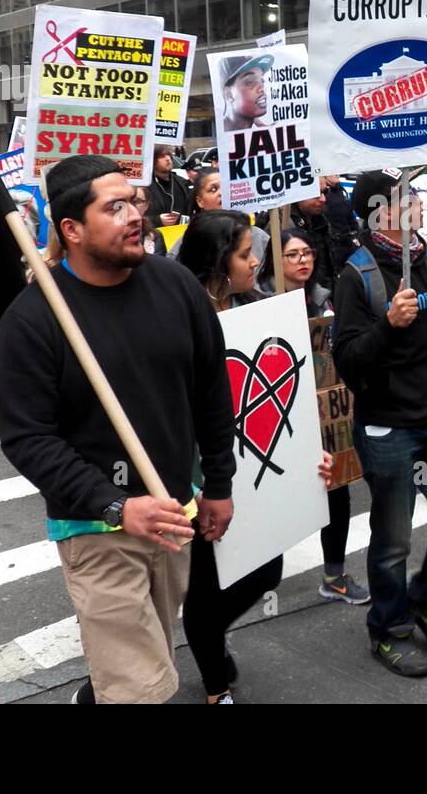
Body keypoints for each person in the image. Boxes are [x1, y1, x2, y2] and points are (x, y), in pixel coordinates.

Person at [0, 156, 236, 705]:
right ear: (72, 230)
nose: (136, 216)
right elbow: (29, 438)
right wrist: (113, 505)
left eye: (136, 202)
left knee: (149, 657)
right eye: (115, 206)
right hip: (97, 531)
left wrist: (218, 483)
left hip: (175, 517)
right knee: (141, 691)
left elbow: (210, 392)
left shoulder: (176, 286)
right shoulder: (34, 320)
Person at [175, 210, 335, 702]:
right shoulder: (179, 317)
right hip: (199, 480)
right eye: (245, 254)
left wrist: (309, 449)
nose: (256, 261)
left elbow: (290, 395)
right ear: (219, 260)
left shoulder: (261, 309)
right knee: (206, 585)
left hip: (254, 475)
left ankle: (205, 638)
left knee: (264, 573)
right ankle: (214, 684)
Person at [332, 169, 427, 678]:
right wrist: (387, 326)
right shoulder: (357, 274)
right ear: (381, 213)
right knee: (392, 539)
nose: (418, 203)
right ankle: (389, 629)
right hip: (388, 426)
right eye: (406, 198)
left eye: (415, 195)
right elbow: (349, 360)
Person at [257, 227, 370, 607]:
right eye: (292, 255)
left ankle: (334, 575)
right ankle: (255, 577)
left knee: (336, 490)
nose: (303, 260)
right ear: (275, 259)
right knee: (272, 495)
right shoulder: (256, 305)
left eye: (307, 253)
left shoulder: (325, 299)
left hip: (325, 414)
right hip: (278, 417)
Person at [219, 54, 272, 133]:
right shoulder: (221, 136)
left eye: (262, 81)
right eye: (250, 82)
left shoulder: (247, 125)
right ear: (228, 94)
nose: (262, 88)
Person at [147, 145, 191, 228]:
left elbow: (190, 210)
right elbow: (139, 217)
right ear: (153, 160)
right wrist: (158, 220)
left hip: (181, 235)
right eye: (162, 156)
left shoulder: (181, 182)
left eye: (168, 155)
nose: (168, 159)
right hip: (157, 236)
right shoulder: (146, 185)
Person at [131, 185, 167, 256]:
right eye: (126, 201)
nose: (131, 206)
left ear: (146, 205)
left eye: (137, 201)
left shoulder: (155, 235)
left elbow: (157, 263)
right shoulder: (110, 234)